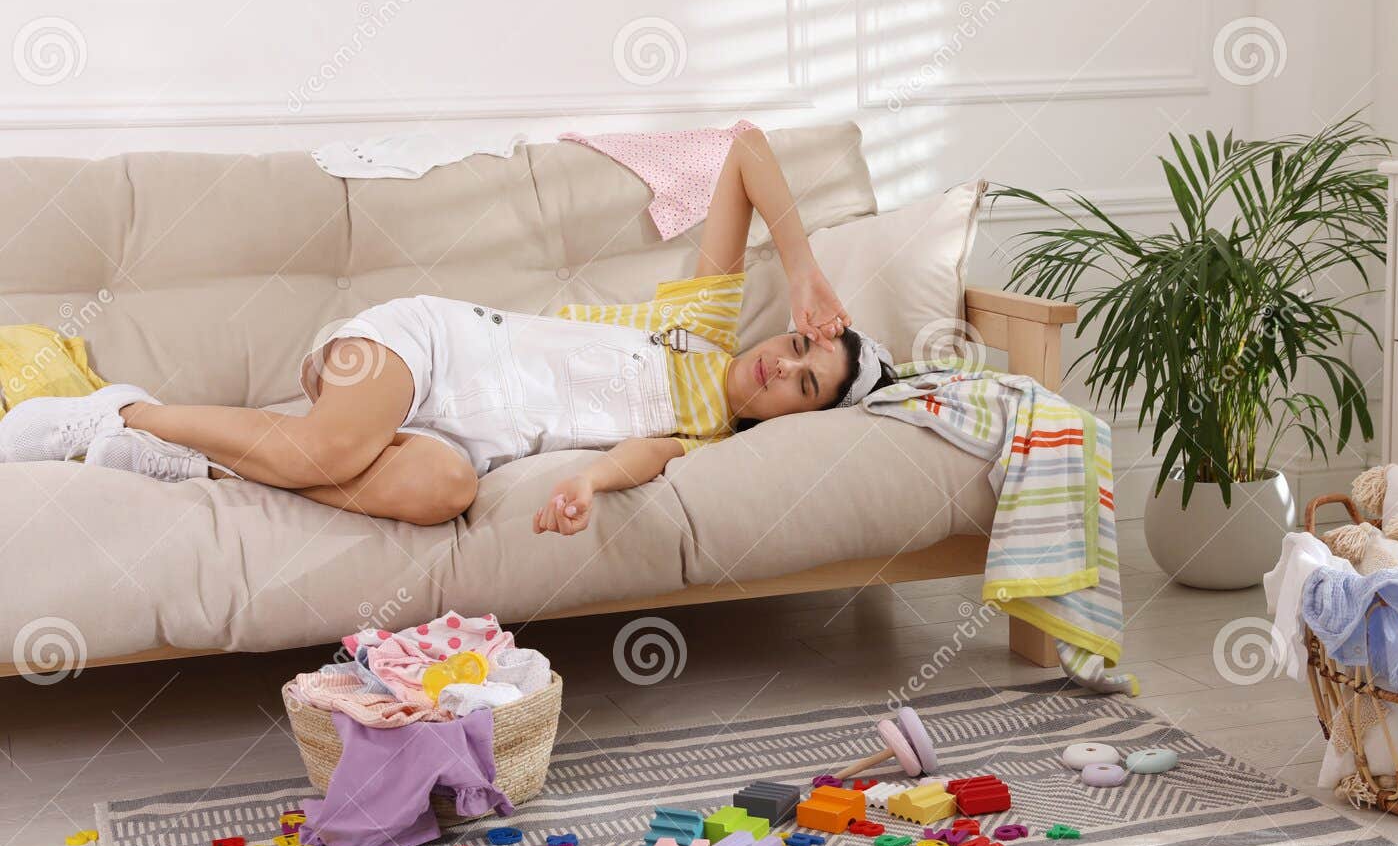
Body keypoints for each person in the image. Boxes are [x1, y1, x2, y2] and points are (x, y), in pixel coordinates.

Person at [0, 127, 895, 532]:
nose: (782, 366)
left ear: (791, 420)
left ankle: (209, 457)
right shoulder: (704, 325)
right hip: (419, 345)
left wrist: (586, 484)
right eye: (798, 346)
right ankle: (122, 418)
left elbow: (637, 461)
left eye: (805, 384)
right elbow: (744, 148)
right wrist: (804, 267)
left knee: (446, 491)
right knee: (330, 450)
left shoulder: (701, 433)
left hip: (443, 436)